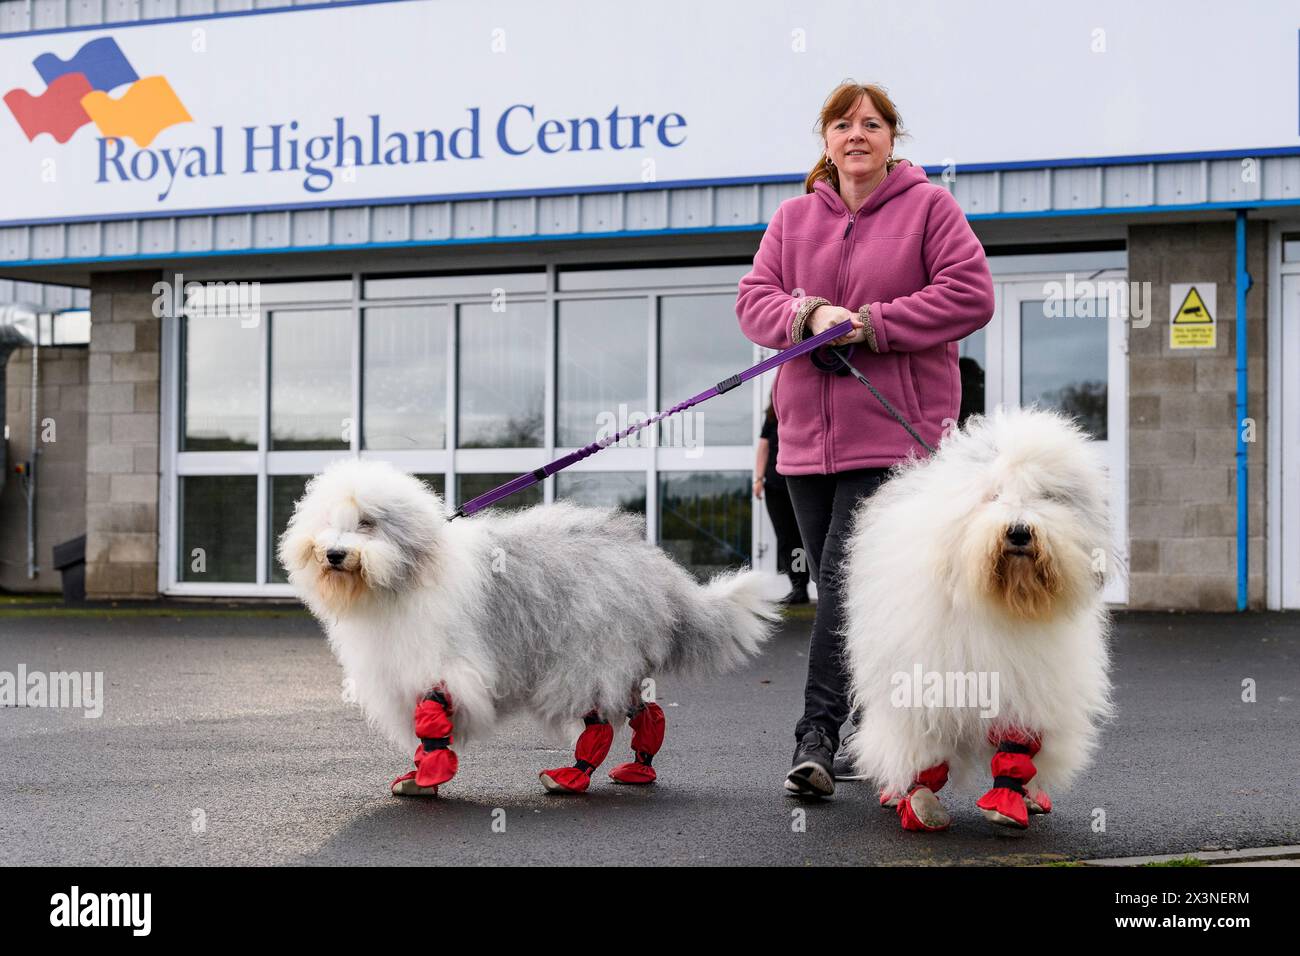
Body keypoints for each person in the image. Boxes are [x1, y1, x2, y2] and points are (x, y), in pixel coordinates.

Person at [734, 80, 995, 797]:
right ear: (826, 141)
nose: (858, 135)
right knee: (844, 597)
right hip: (806, 445)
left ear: (891, 140)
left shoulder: (929, 210)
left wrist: (873, 323)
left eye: (873, 124)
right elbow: (753, 301)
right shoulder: (792, 220)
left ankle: (815, 735)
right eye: (843, 124)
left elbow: (970, 294)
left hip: (892, 438)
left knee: (846, 591)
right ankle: (879, 731)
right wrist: (810, 313)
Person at [755, 398, 809, 605]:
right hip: (776, 488)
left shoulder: (803, 412)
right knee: (788, 539)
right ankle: (799, 586)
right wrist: (759, 478)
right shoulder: (772, 417)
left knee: (806, 537)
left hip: (802, 485)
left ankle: (820, 586)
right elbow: (763, 446)